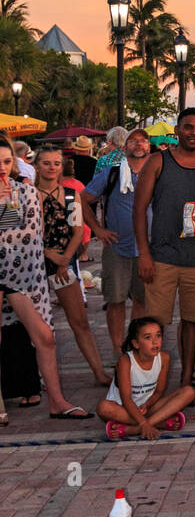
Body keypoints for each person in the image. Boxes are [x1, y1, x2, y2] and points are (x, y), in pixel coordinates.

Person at [133, 107, 195, 404]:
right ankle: (151, 385)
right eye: (188, 127)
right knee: (155, 324)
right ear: (178, 130)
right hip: (162, 256)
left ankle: (186, 384)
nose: (193, 132)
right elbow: (139, 209)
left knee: (193, 321)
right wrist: (144, 255)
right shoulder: (158, 162)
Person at [0, 137, 87, 419]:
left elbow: (29, 238)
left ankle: (57, 401)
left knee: (45, 337)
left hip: (18, 275)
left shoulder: (25, 193)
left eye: (7, 161)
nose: (2, 168)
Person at [34, 146, 108, 386]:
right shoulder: (28, 195)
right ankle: (37, 379)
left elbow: (77, 230)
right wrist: (50, 254)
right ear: (37, 166)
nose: (52, 167)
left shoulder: (70, 194)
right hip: (32, 266)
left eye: (56, 163)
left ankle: (98, 372)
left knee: (80, 322)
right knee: (37, 328)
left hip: (63, 265)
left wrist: (65, 258)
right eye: (46, 163)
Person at [81, 128, 151, 361]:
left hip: (147, 250)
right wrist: (97, 230)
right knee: (116, 300)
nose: (139, 144)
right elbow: (84, 199)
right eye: (134, 141)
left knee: (142, 300)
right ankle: (116, 349)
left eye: (143, 141)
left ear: (148, 147)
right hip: (117, 248)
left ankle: (136, 344)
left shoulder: (156, 174)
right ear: (124, 147)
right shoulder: (111, 173)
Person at [97, 316, 195, 440]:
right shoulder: (125, 361)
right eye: (148, 337)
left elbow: (159, 391)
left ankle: (132, 429)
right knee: (103, 408)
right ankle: (158, 423)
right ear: (136, 343)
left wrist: (147, 404)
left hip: (148, 408)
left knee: (189, 392)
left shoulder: (164, 358)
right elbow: (126, 399)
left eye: (158, 335)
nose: (155, 342)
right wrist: (143, 423)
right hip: (124, 409)